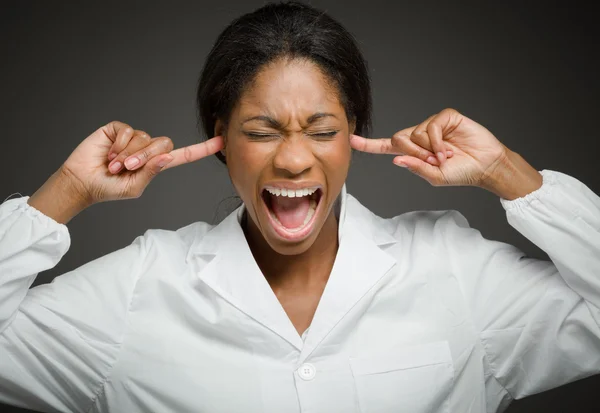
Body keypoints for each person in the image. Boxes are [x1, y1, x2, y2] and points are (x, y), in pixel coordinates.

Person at [1, 1, 599, 412]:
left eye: (320, 129)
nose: (292, 161)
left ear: (354, 135)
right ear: (221, 141)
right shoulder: (138, 287)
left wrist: (506, 172)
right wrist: (64, 193)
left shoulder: (455, 269)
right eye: (261, 130)